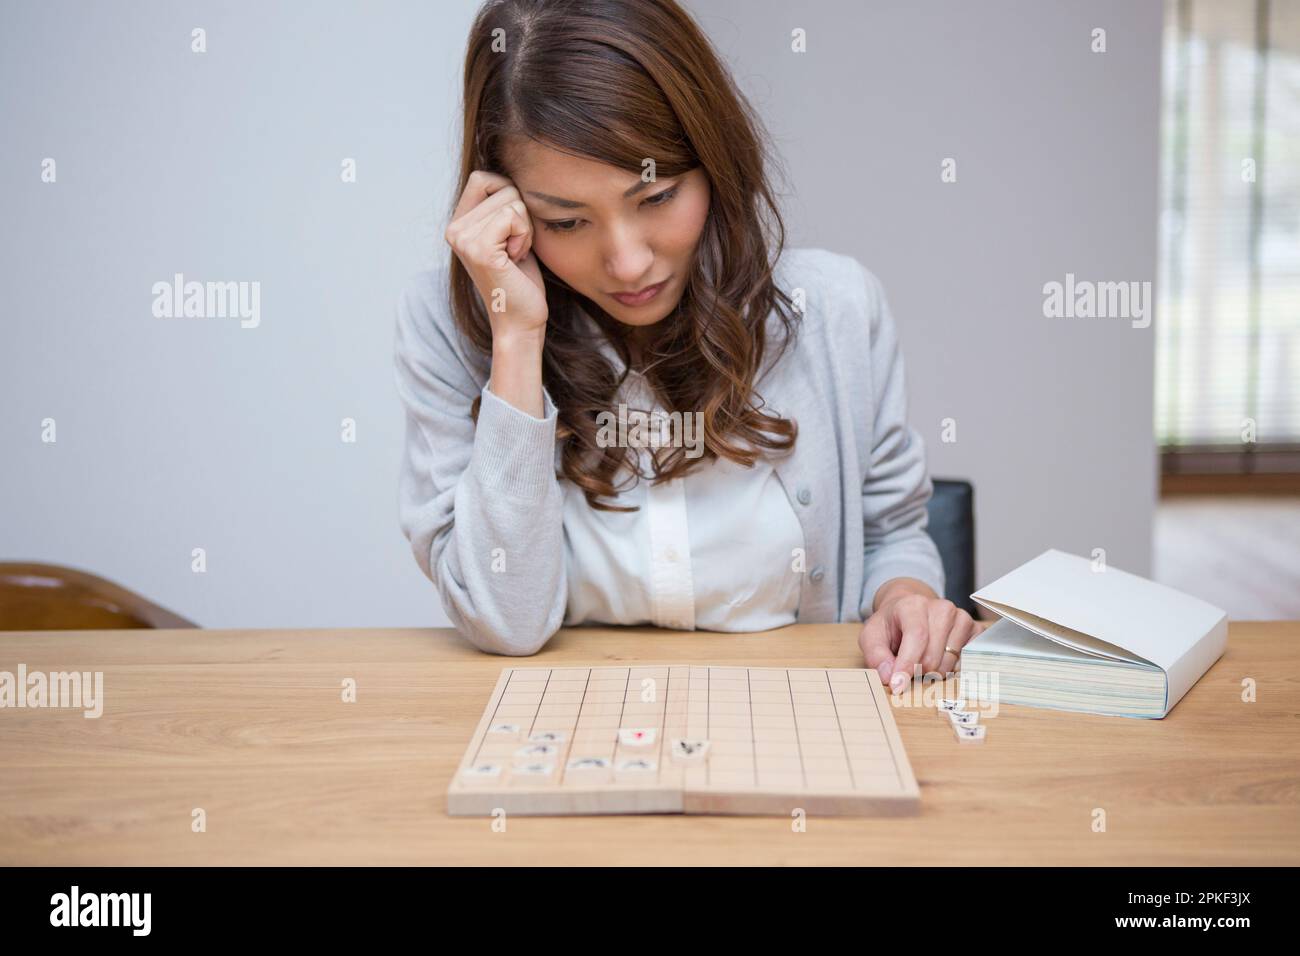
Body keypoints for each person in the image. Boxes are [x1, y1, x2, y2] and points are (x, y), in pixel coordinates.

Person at [394, 0, 985, 692]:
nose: (628, 262)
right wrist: (517, 336)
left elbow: (891, 535)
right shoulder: (447, 323)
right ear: (508, 206)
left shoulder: (836, 308)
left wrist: (905, 599)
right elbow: (506, 619)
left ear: (715, 158)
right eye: (567, 220)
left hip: (796, 708)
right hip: (568, 721)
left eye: (656, 198)